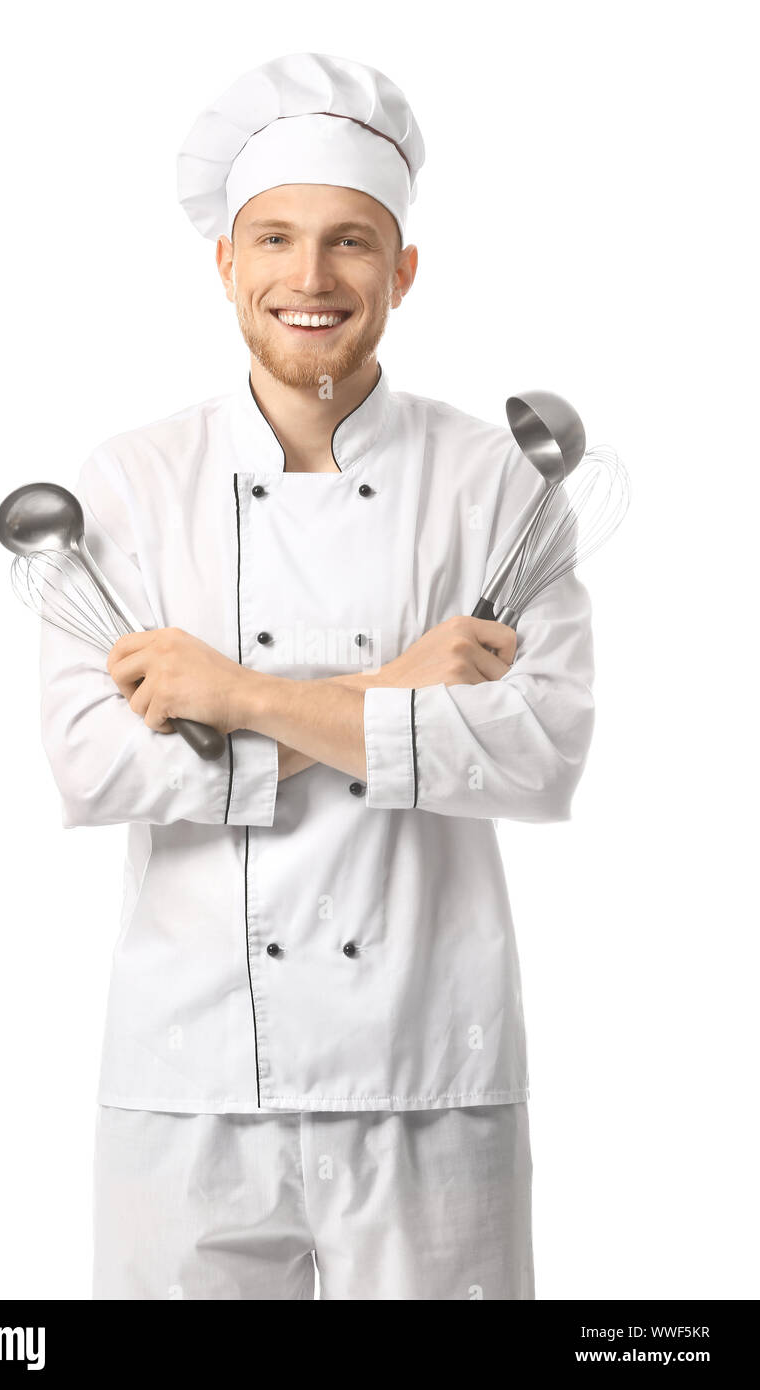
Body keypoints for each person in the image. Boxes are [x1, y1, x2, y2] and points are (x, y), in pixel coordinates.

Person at [39, 52, 595, 1301]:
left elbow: (541, 750)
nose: (309, 279)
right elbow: (91, 764)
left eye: (349, 242)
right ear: (224, 265)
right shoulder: (128, 485)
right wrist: (403, 691)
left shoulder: (495, 484)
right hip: (186, 1084)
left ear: (401, 272)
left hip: (428, 1076)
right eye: (275, 239)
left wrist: (230, 698)